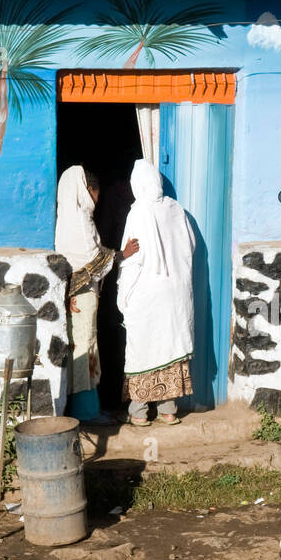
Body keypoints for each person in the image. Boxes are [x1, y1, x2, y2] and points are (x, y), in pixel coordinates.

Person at [116, 159, 195, 426]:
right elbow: (190, 247)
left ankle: (138, 412)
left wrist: (123, 297)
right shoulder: (177, 210)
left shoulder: (137, 213)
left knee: (144, 348)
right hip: (175, 292)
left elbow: (132, 258)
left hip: (147, 292)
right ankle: (169, 411)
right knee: (169, 346)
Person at [55, 163, 136, 423]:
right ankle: (86, 411)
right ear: (87, 190)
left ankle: (88, 407)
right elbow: (90, 259)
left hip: (79, 296)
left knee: (85, 344)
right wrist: (122, 255)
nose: (99, 199)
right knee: (84, 345)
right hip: (82, 296)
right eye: (96, 193)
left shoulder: (69, 219)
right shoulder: (78, 221)